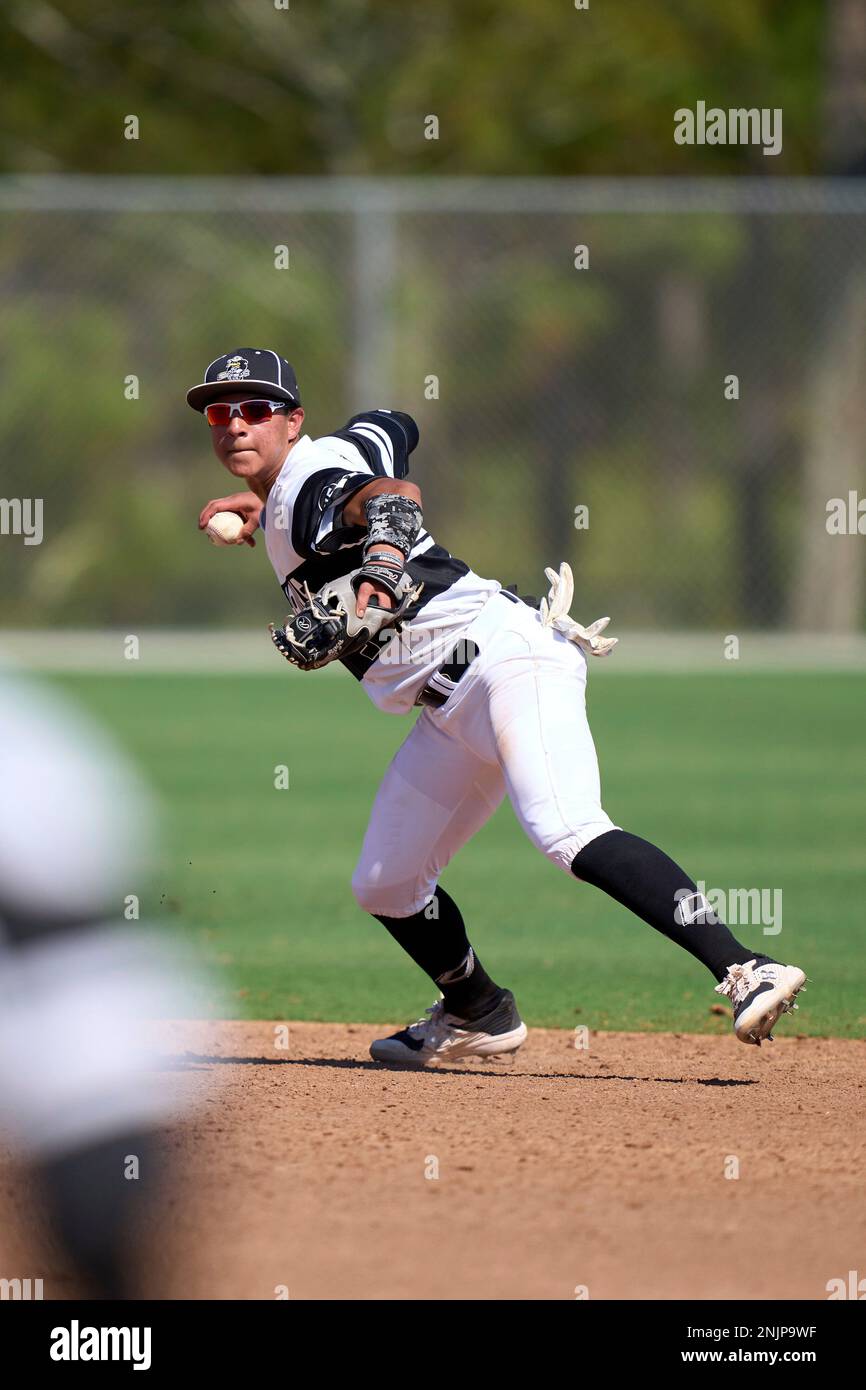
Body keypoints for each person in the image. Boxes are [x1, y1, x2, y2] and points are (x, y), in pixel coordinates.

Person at [191, 347, 806, 1063]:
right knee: (385, 883)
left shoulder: (309, 487)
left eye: (256, 409)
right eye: (220, 411)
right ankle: (478, 1010)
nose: (236, 425)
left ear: (291, 420)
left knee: (568, 831)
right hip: (450, 705)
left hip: (510, 663)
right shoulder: (320, 468)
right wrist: (270, 509)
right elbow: (395, 424)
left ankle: (743, 966)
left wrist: (382, 570)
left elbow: (392, 500)